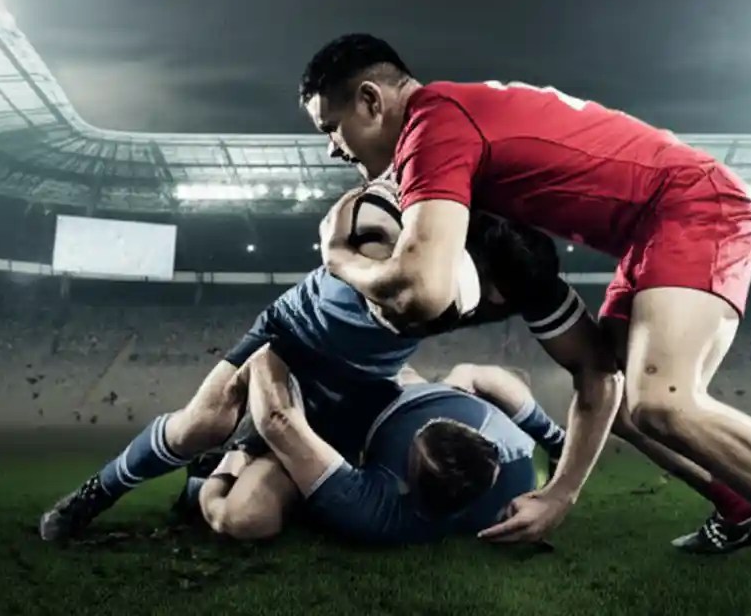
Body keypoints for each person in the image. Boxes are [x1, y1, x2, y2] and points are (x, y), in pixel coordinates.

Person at [299, 34, 751, 615]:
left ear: (370, 100)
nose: (333, 147)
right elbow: (590, 373)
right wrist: (560, 493)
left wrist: (341, 259)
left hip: (688, 205)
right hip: (648, 232)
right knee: (627, 401)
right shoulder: (452, 130)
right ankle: (741, 510)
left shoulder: (432, 126)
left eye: (332, 127)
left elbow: (423, 288)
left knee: (665, 401)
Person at [39, 191, 616, 543]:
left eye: (499, 306)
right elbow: (359, 209)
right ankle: (96, 493)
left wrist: (568, 475)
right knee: (205, 422)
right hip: (294, 336)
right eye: (489, 300)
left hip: (365, 382)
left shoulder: (524, 283)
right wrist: (343, 246)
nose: (488, 312)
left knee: (256, 516)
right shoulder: (402, 235)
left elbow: (594, 367)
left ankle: (230, 469)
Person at [195, 356, 566, 544]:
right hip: (402, 382)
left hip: (332, 419)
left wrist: (269, 349)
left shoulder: (380, 510)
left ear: (408, 479)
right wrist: (554, 440)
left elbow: (280, 421)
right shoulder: (516, 468)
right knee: (480, 376)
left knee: (244, 518)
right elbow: (475, 373)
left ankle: (220, 466)